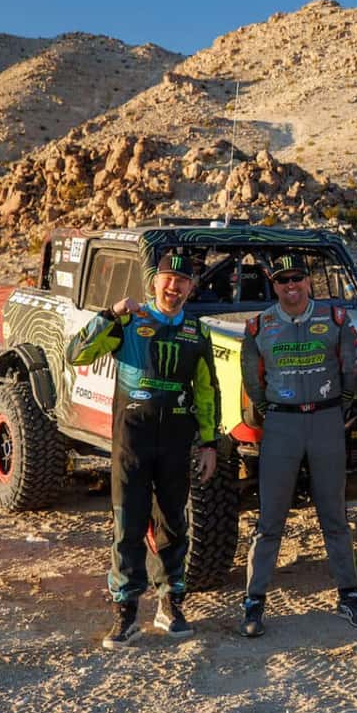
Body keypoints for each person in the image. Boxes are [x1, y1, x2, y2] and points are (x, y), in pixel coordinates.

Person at [67, 249, 220, 650]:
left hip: (175, 441)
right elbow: (76, 353)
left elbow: (206, 391)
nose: (175, 286)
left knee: (173, 524)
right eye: (169, 278)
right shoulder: (128, 322)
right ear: (154, 281)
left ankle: (171, 603)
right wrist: (109, 315)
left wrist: (209, 443)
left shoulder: (197, 332)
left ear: (192, 287)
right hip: (132, 439)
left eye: (184, 281)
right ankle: (126, 612)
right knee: (128, 525)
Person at [239, 253, 357, 636]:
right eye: (282, 281)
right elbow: (252, 382)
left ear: (309, 281)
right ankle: (253, 604)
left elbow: (352, 370)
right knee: (270, 520)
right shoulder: (259, 326)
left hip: (326, 421)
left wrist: (335, 409)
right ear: (273, 285)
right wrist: (273, 410)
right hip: (282, 425)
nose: (290, 286)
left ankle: (349, 596)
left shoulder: (335, 320)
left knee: (335, 516)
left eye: (297, 278)